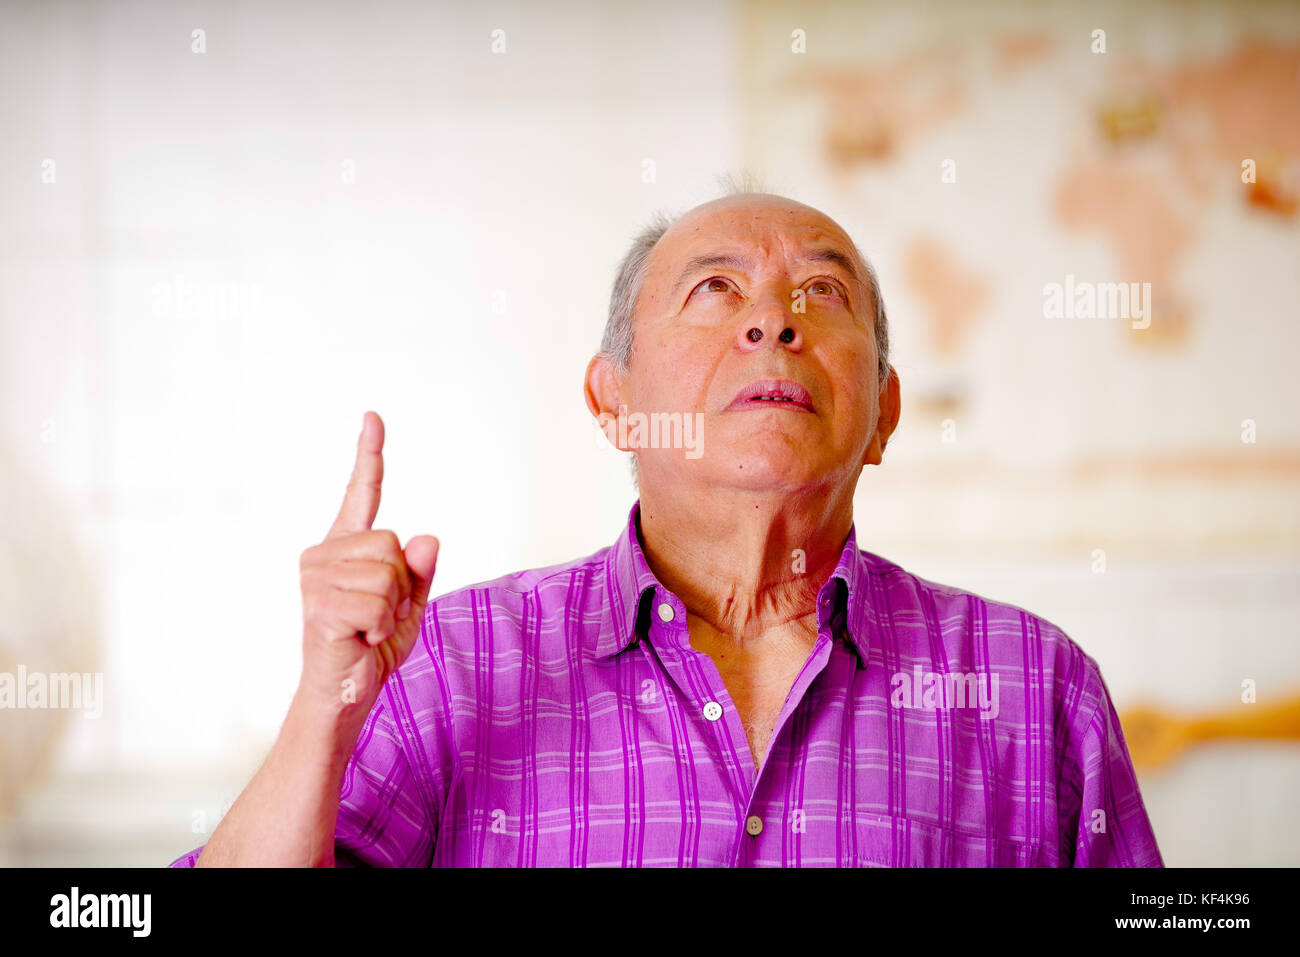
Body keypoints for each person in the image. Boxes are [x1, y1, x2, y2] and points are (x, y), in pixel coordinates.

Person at [169, 187, 1162, 867]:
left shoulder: (1035, 686)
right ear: (612, 403)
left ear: (885, 414)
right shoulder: (448, 663)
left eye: (821, 293)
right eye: (713, 290)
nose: (774, 322)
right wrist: (321, 708)